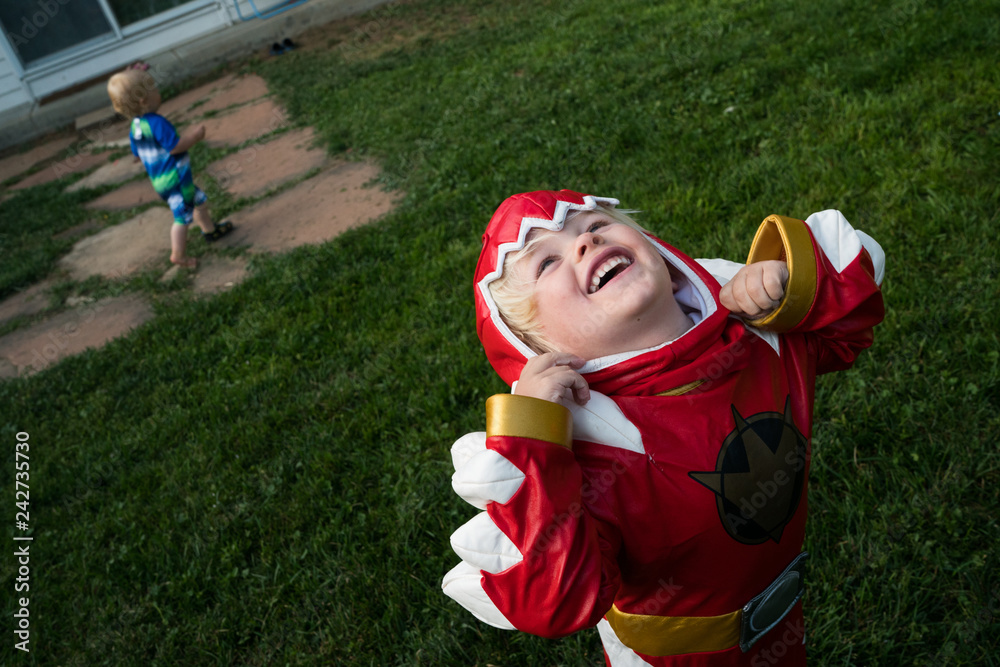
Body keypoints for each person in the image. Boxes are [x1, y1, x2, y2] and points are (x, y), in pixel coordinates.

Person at [442, 190, 885, 666]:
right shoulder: (588, 450)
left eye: (595, 226)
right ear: (530, 343)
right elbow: (560, 601)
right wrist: (534, 449)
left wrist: (790, 288)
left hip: (781, 628)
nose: (585, 244)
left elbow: (846, 330)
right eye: (547, 263)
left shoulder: (757, 337)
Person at [107, 69, 232, 268]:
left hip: (161, 181)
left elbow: (137, 153)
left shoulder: (136, 126)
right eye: (154, 88)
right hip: (176, 179)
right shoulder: (157, 123)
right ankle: (178, 255)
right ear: (142, 99)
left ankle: (210, 231)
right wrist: (195, 137)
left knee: (198, 201)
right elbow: (175, 147)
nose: (158, 91)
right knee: (182, 217)